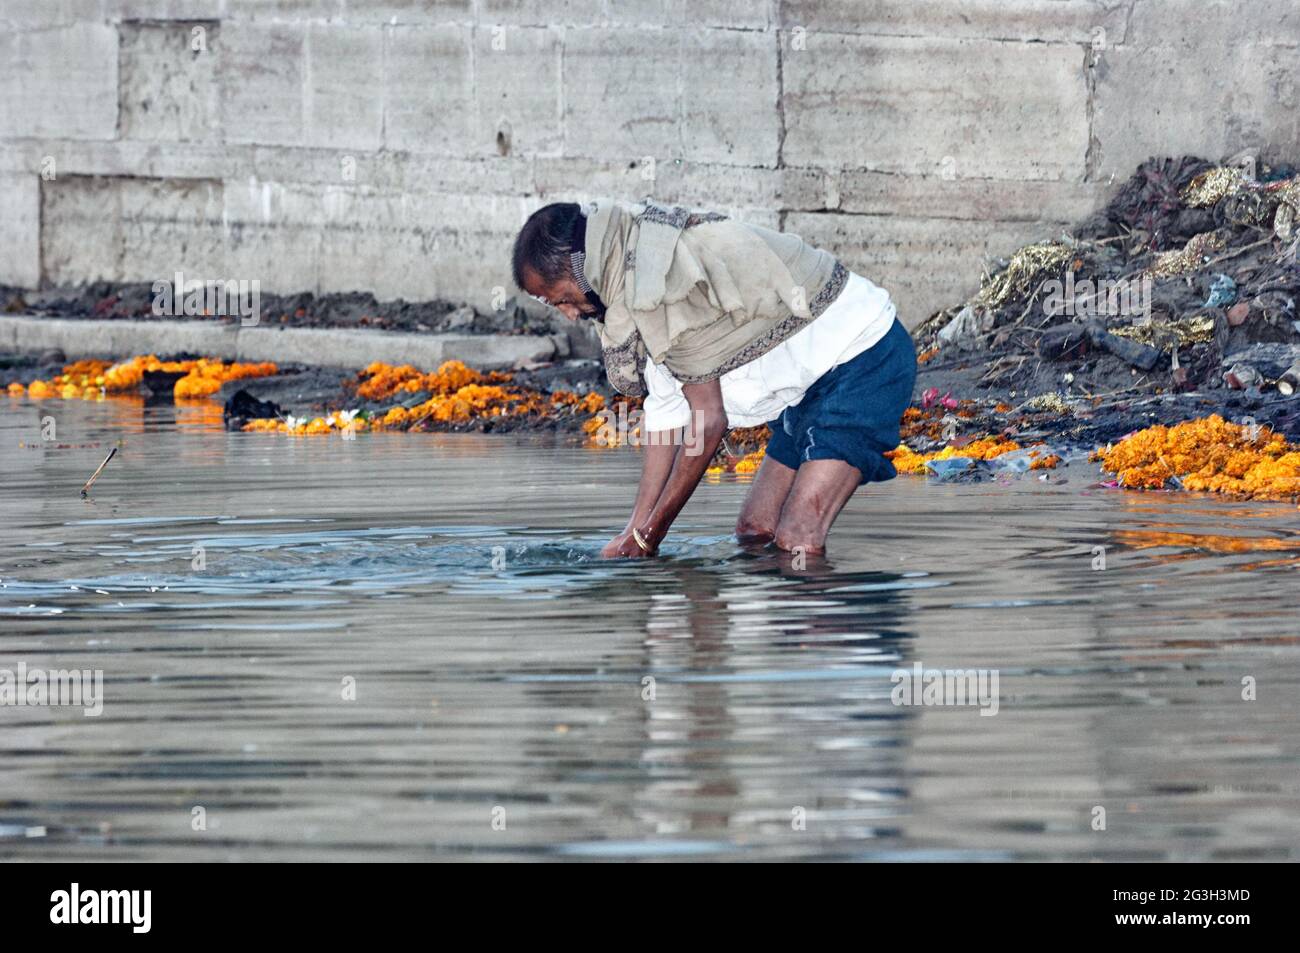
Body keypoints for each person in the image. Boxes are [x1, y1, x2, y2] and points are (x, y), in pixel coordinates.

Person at [511, 200, 916, 559]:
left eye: (564, 298)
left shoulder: (660, 285)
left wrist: (652, 535)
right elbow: (667, 415)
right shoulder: (626, 281)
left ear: (585, 272)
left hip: (864, 359)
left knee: (798, 539)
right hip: (808, 385)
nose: (568, 314)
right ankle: (791, 633)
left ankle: (848, 635)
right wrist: (631, 530)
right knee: (755, 532)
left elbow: (707, 422)